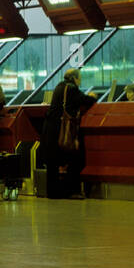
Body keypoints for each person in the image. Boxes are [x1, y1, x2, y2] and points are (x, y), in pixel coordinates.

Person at [42, 68, 96, 199]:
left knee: (53, 163)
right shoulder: (71, 88)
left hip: (50, 129)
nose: (80, 81)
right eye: (80, 78)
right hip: (62, 130)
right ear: (74, 78)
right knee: (74, 158)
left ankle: (53, 192)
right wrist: (93, 97)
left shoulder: (59, 86)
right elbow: (84, 100)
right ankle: (71, 191)